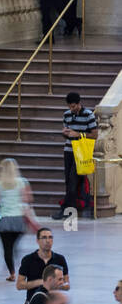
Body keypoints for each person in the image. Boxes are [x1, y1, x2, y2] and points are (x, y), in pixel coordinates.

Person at [57, 91, 98, 219]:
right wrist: (64, 133)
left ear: (79, 104)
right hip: (68, 150)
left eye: (74, 106)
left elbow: (95, 135)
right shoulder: (66, 115)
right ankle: (75, 208)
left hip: (82, 153)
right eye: (69, 106)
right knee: (68, 181)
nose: (71, 109)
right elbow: (67, 133)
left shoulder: (88, 115)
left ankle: (66, 211)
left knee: (73, 181)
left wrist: (79, 134)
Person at [0, 158, 34, 282]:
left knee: (7, 248)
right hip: (18, 218)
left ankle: (12, 273)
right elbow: (28, 199)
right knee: (14, 244)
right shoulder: (22, 182)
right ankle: (16, 257)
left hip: (4, 219)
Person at [16, 226, 69, 299]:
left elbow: (67, 285)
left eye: (50, 237)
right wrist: (40, 282)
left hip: (53, 302)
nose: (48, 240)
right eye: (44, 237)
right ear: (37, 241)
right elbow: (19, 285)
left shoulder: (60, 259)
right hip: (34, 301)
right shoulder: (28, 259)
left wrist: (54, 284)